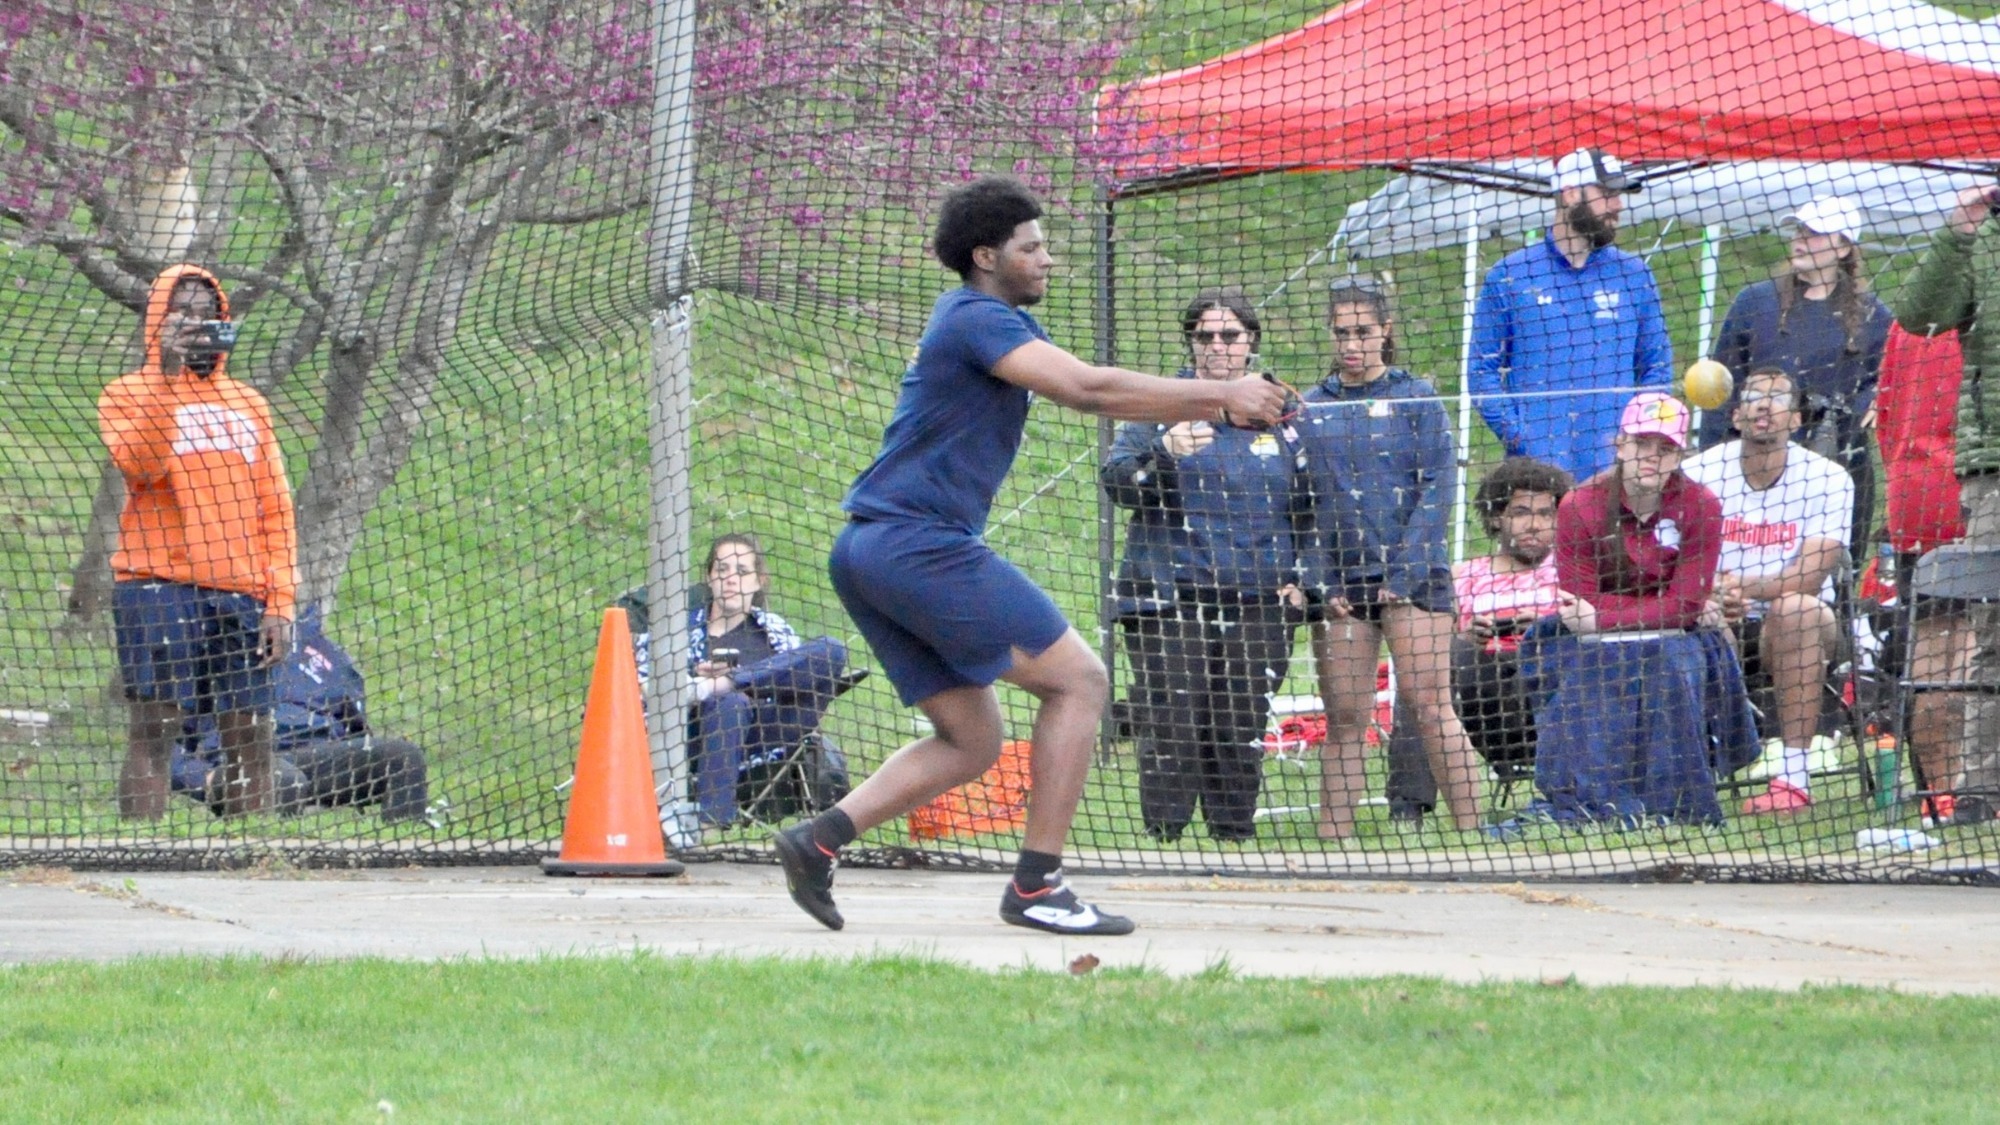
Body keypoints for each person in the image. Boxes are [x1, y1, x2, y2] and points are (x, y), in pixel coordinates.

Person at [774, 175, 1287, 934]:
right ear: (987, 255)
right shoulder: (977, 316)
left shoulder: (986, 321)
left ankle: (816, 840)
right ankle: (1038, 887)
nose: (1048, 259)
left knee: (973, 740)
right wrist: (1223, 395)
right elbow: (1089, 390)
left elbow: (1098, 388)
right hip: (917, 543)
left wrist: (1226, 398)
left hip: (872, 548)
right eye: (1032, 247)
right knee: (1081, 681)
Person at [1101, 287, 1309, 842]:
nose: (1217, 347)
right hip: (1169, 594)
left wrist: (1304, 581)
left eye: (1230, 336)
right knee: (1172, 720)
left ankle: (1232, 833)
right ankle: (1164, 833)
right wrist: (1163, 455)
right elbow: (1118, 483)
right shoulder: (1159, 405)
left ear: (1251, 343)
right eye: (1205, 336)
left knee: (1238, 722)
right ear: (1190, 343)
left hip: (1259, 598)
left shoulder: (1283, 413)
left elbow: (1316, 505)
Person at [99, 264, 296, 818]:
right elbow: (141, 465)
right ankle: (141, 853)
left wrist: (279, 602)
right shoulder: (126, 394)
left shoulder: (247, 403)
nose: (196, 322)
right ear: (159, 320)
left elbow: (275, 509)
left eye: (208, 313)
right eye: (182, 312)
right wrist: (164, 375)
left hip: (240, 592)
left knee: (250, 733)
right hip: (156, 587)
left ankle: (254, 853)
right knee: (155, 728)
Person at [1298, 278, 1485, 837]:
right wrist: (1319, 580)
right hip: (1342, 581)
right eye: (1342, 332)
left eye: (1363, 331)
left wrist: (1404, 572)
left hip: (1415, 577)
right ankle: (1335, 837)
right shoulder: (1310, 407)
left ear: (1386, 331)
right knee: (1346, 717)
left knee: (1431, 704)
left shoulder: (1417, 396)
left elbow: (1437, 486)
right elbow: (1301, 502)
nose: (1352, 343)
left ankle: (1474, 832)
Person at [1533, 392, 1752, 825]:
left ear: (1682, 453)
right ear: (1619, 445)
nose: (1652, 457)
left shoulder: (1701, 505)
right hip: (1591, 642)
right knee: (1589, 665)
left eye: (1666, 448)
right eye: (1641, 444)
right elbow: (1580, 601)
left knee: (1673, 663)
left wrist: (1614, 615)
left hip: (1675, 641)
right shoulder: (1579, 504)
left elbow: (1687, 606)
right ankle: (1592, 800)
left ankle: (1673, 805)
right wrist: (1665, 606)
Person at [1683, 367, 1854, 816]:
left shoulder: (1829, 478)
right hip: (1711, 618)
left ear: (1795, 420)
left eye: (1778, 398)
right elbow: (1674, 563)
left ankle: (1793, 780)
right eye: (1754, 396)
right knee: (1693, 616)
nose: (1764, 405)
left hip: (1800, 628)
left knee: (1794, 608)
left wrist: (1742, 587)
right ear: (1736, 414)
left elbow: (1809, 579)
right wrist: (1710, 595)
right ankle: (1689, 774)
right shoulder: (1696, 473)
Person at [1892, 183, 2000, 816]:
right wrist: (1959, 228)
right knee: (1993, 632)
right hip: (1994, 468)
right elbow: (1920, 315)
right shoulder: (1985, 236)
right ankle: (1987, 792)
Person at [1469, 148, 1673, 483]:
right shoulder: (1511, 275)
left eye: (1618, 195)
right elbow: (1481, 370)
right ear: (1570, 194)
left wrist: (1635, 439)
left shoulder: (1635, 276)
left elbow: (1657, 368)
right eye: (1606, 194)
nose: (1617, 205)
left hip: (1615, 478)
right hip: (1536, 480)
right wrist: (1520, 439)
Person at [1695, 196, 1889, 544]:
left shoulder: (1874, 317)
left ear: (1843, 247)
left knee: (1834, 575)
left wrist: (1871, 400)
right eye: (1799, 230)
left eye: (1814, 233)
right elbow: (1723, 387)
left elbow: (1889, 381)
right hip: (1752, 469)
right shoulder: (1755, 303)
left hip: (1833, 470)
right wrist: (1712, 464)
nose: (1800, 239)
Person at [169, 607, 430, 822]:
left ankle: (400, 858)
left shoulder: (322, 649)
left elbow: (356, 729)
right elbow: (164, 746)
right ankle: (270, 867)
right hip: (242, 760)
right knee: (285, 781)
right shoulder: (206, 645)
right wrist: (203, 778)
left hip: (313, 756)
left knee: (403, 757)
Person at [682, 533, 848, 828]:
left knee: (832, 650)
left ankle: (727, 682)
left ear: (759, 581)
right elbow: (643, 687)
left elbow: (800, 678)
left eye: (742, 571)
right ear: (709, 578)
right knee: (730, 702)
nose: (731, 579)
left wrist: (733, 679)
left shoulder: (774, 631)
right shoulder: (679, 630)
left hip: (765, 734)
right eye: (722, 570)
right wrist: (691, 681)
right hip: (694, 733)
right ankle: (709, 821)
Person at [1451, 457, 1573, 778]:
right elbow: (1435, 650)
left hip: (1553, 697)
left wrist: (1546, 628)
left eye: (1546, 514)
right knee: (1430, 669)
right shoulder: (1462, 577)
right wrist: (1466, 636)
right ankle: (1408, 807)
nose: (1534, 524)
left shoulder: (1575, 572)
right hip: (1482, 698)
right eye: (1520, 513)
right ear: (1496, 519)